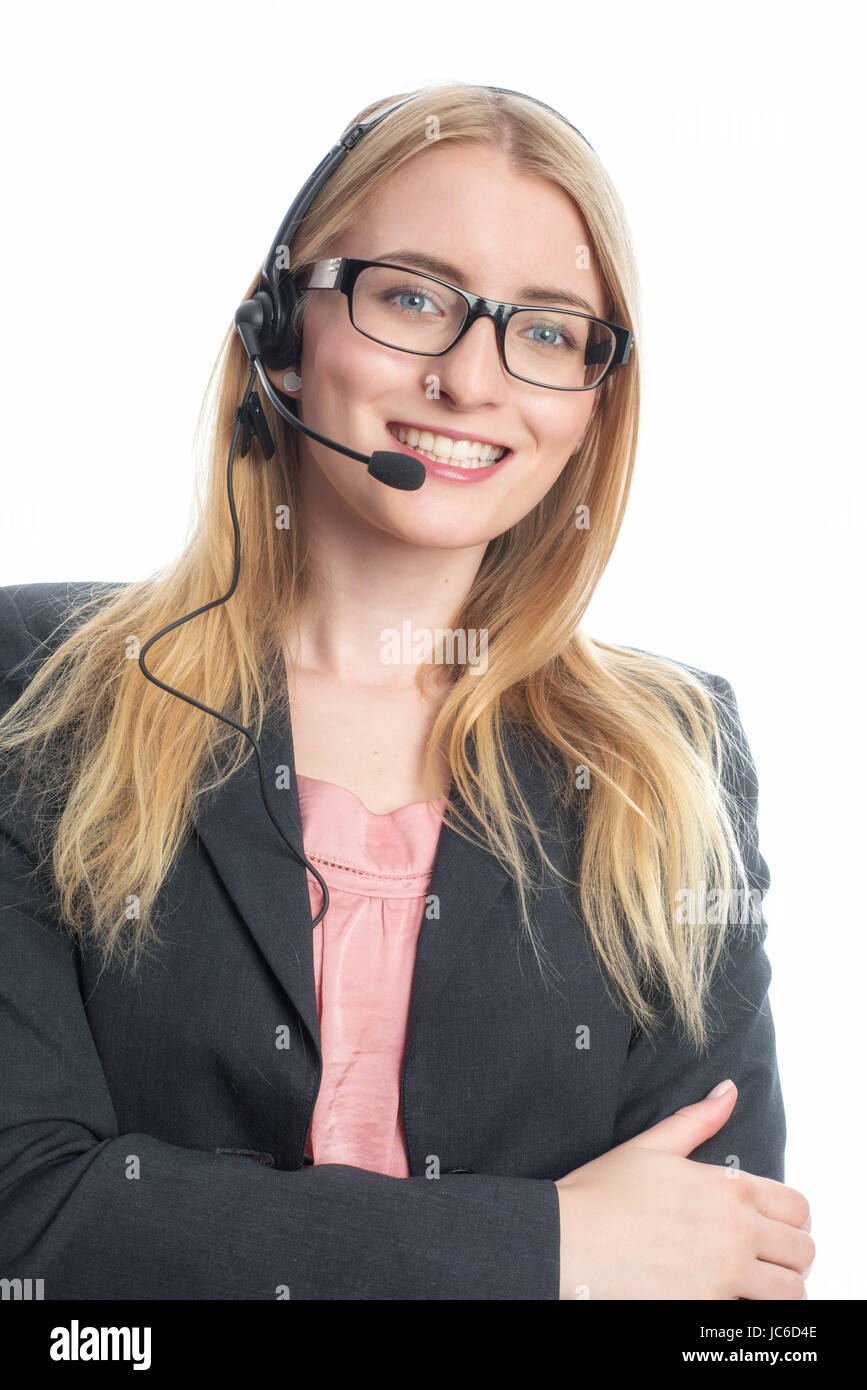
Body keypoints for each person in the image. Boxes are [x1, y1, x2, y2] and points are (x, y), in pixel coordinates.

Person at [0, 81, 813, 1300]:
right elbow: (31, 1227)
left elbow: (724, 1279)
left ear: (593, 405)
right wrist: (553, 1248)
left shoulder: (672, 755)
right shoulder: (46, 682)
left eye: (545, 330)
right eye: (415, 298)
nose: (472, 382)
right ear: (284, 325)